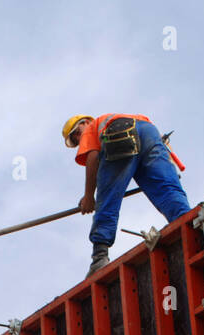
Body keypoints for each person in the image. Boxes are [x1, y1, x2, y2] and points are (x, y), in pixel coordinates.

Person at [62, 113, 192, 277]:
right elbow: (158, 141)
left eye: (76, 133)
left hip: (120, 134)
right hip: (150, 133)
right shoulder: (128, 117)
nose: (78, 140)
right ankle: (188, 222)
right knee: (166, 189)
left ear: (85, 122)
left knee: (107, 196)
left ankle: (99, 257)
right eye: (74, 141)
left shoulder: (93, 127)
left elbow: (93, 157)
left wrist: (89, 197)